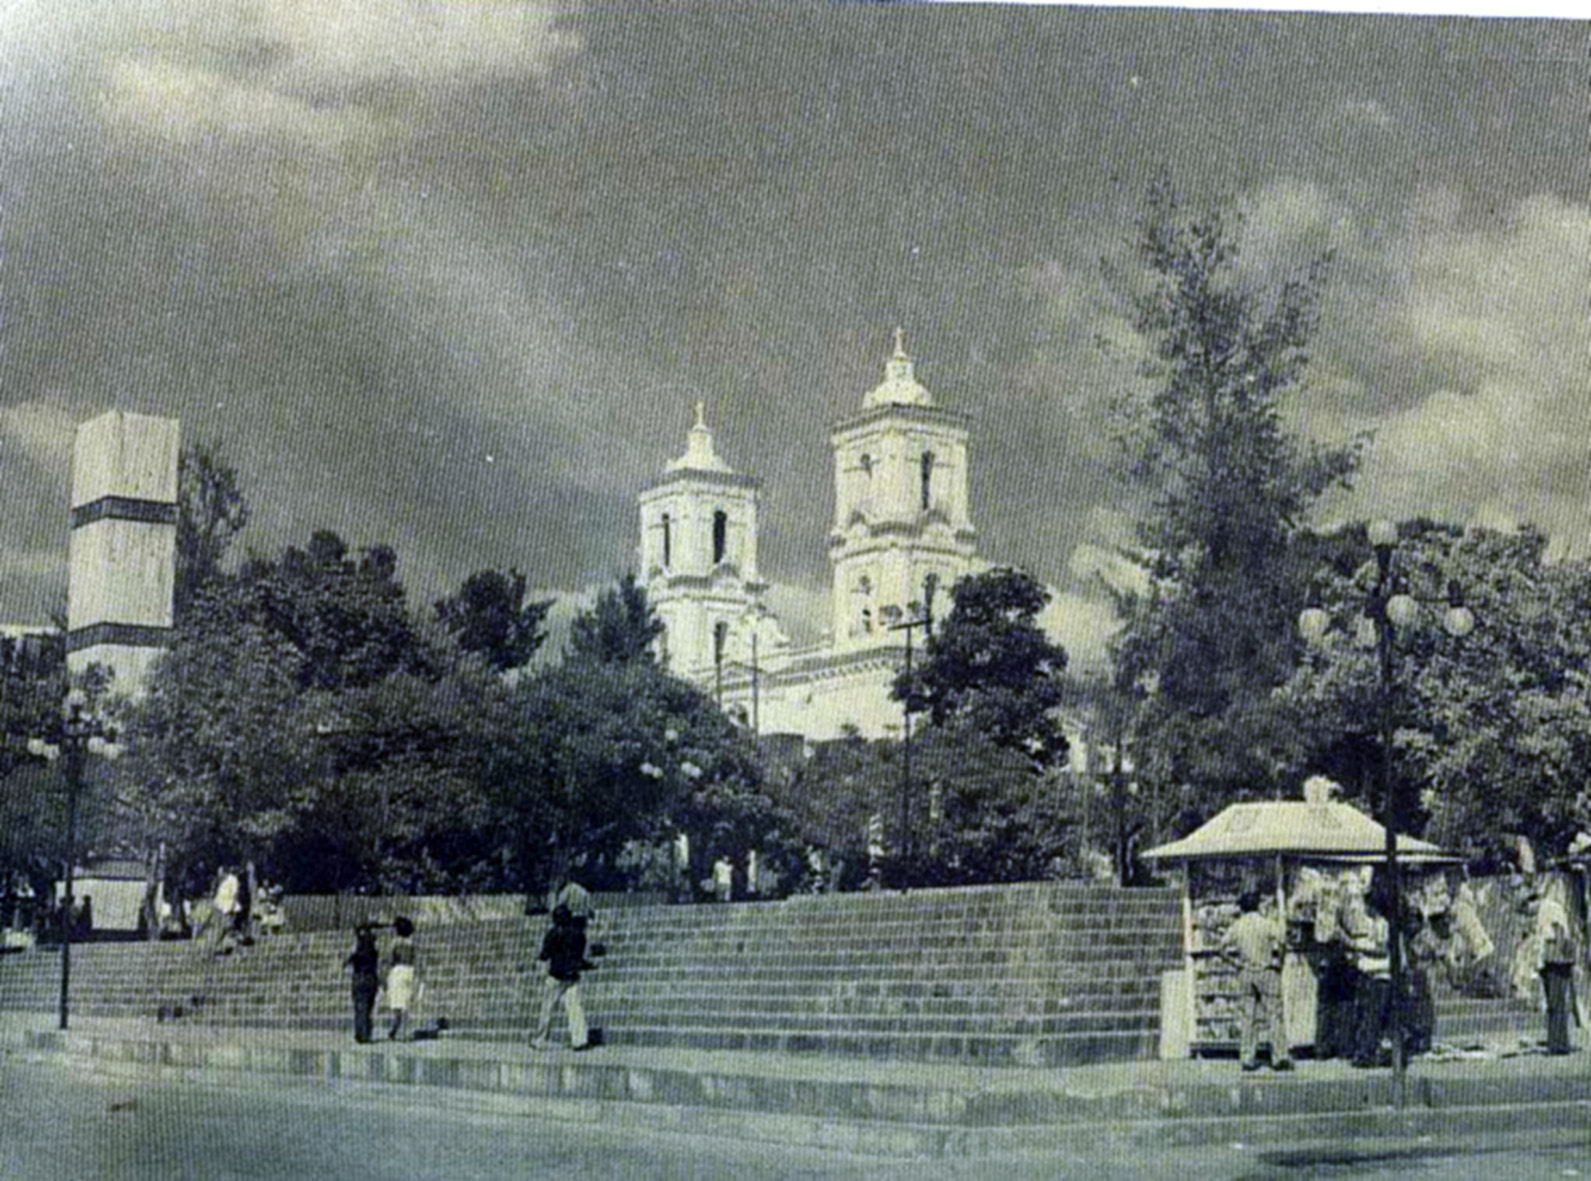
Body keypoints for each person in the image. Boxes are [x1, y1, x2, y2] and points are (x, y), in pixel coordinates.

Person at [1222, 890, 1292, 1072]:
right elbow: (1283, 940)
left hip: (1246, 971)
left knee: (1248, 1015)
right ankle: (1279, 1056)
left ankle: (1247, 1057)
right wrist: (1279, 960)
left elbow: (1221, 947)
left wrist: (1235, 963)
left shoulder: (1237, 926)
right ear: (1257, 905)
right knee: (1274, 1014)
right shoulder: (1266, 923)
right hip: (1267, 970)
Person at [532, 903, 594, 1051]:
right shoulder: (579, 935)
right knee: (574, 1008)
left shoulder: (553, 934)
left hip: (556, 975)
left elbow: (545, 955)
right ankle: (579, 1040)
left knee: (547, 1008)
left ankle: (540, 1040)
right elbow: (580, 957)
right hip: (571, 975)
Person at [1533, 884, 1580, 1055]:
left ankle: (1558, 1044)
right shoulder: (1548, 908)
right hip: (1551, 959)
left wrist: (1562, 953)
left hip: (1555, 959)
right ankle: (1557, 1041)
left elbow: (1558, 931)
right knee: (1555, 1003)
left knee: (1556, 1003)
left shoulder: (1550, 907)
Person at [344, 924, 381, 1044]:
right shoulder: (373, 953)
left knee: (359, 1007)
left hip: (359, 978)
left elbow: (346, 963)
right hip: (371, 978)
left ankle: (360, 1033)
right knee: (368, 1008)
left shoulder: (357, 953)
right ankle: (367, 1032)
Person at [384, 916, 418, 1041]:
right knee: (406, 1003)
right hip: (409, 971)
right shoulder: (411, 944)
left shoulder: (395, 943)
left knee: (396, 1003)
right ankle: (403, 1031)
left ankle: (395, 1028)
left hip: (398, 971)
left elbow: (391, 959)